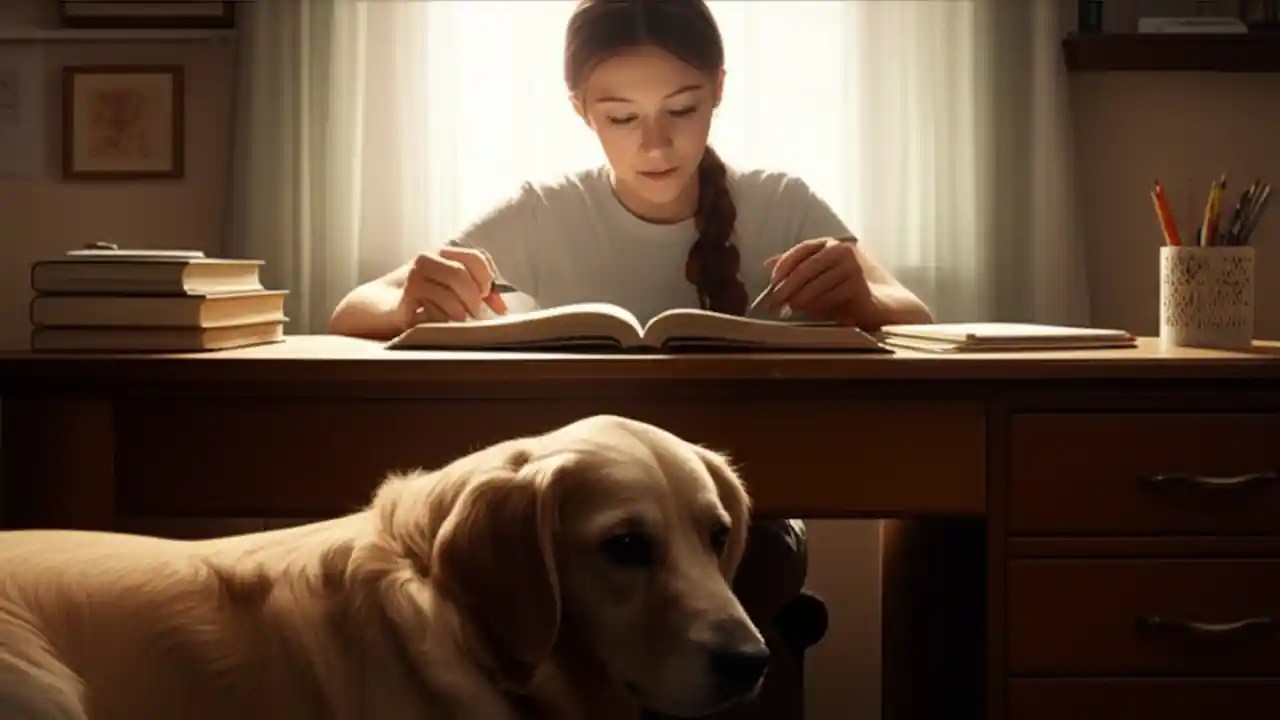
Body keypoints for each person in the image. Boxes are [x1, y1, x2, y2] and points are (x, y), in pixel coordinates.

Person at [330, 0, 933, 715]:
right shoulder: (541, 212)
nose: (655, 144)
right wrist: (409, 298)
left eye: (682, 108)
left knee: (759, 557)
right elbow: (351, 312)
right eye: (622, 117)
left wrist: (865, 297)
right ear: (581, 109)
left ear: (719, 91)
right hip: (595, 522)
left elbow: (915, 316)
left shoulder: (780, 203)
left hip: (739, 516)